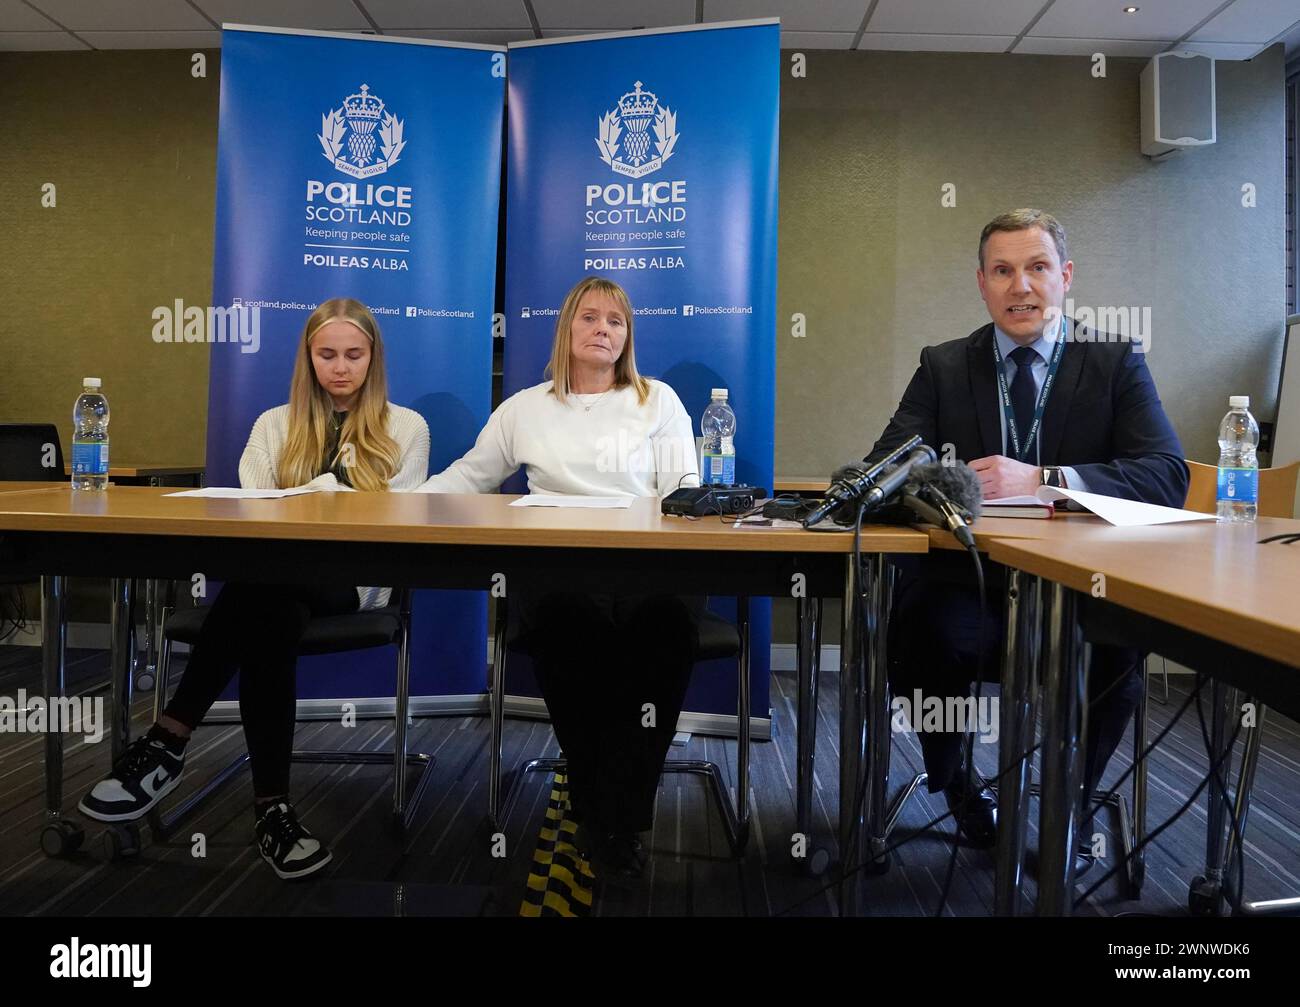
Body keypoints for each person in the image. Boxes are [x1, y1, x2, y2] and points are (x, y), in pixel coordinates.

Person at [866, 209, 1188, 873]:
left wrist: (1044, 478)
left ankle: (1067, 807)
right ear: (981, 284)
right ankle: (955, 781)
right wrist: (956, 483)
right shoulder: (945, 365)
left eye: (1037, 267)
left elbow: (1167, 474)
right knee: (923, 632)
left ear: (1065, 277)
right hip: (971, 585)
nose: (1022, 286)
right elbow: (884, 468)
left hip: (1084, 591)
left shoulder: (1115, 362)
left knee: (1116, 654)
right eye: (1003, 270)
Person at [79, 298, 430, 880]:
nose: (340, 368)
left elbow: (390, 518)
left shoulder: (407, 426)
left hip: (354, 584)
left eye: (353, 354)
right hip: (277, 584)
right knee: (271, 611)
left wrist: (314, 498)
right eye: (326, 354)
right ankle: (273, 810)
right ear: (307, 358)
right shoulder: (274, 423)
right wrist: (324, 500)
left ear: (374, 358)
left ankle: (168, 740)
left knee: (261, 593)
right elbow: (255, 513)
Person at [414, 275, 700, 880]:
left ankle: (615, 811)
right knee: (570, 627)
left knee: (668, 628)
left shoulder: (659, 400)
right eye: (590, 318)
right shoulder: (526, 407)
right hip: (556, 570)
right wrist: (395, 503)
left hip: (645, 566)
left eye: (616, 321)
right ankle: (609, 818)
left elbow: (684, 494)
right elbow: (469, 477)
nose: (603, 329)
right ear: (566, 329)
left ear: (628, 337)